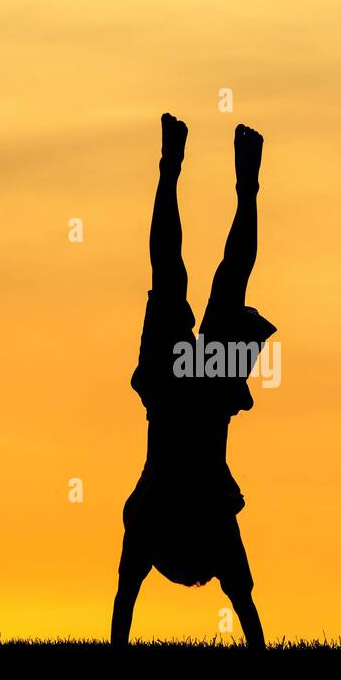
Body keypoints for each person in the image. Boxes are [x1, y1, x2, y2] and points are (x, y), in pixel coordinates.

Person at [109, 113, 274, 650]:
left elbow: (249, 618)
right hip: (179, 390)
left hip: (196, 393)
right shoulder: (165, 528)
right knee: (175, 274)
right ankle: (176, 171)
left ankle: (234, 184)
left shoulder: (204, 535)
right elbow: (122, 606)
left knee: (221, 279)